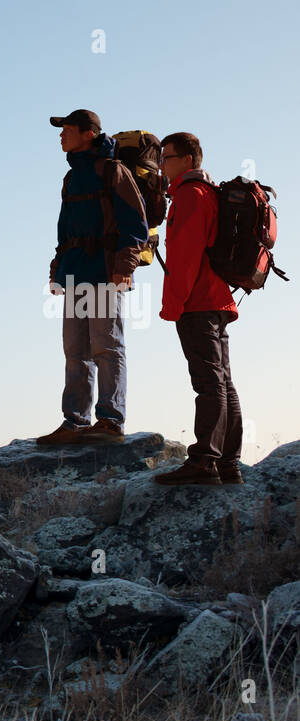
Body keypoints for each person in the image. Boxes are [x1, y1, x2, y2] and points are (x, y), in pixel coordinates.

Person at [37, 109, 149, 446]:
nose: (60, 136)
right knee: (75, 349)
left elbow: (136, 224)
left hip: (106, 271)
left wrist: (124, 266)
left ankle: (111, 421)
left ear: (88, 133)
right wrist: (58, 266)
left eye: (66, 129)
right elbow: (66, 229)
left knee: (107, 346)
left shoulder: (112, 170)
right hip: (76, 272)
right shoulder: (71, 178)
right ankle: (74, 422)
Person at [152, 132, 242, 486]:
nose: (161, 164)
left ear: (188, 160)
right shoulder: (206, 193)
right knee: (223, 382)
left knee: (208, 383)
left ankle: (205, 460)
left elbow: (186, 258)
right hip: (216, 301)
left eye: (166, 157)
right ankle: (228, 463)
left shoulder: (190, 195)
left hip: (198, 303)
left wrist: (172, 306)